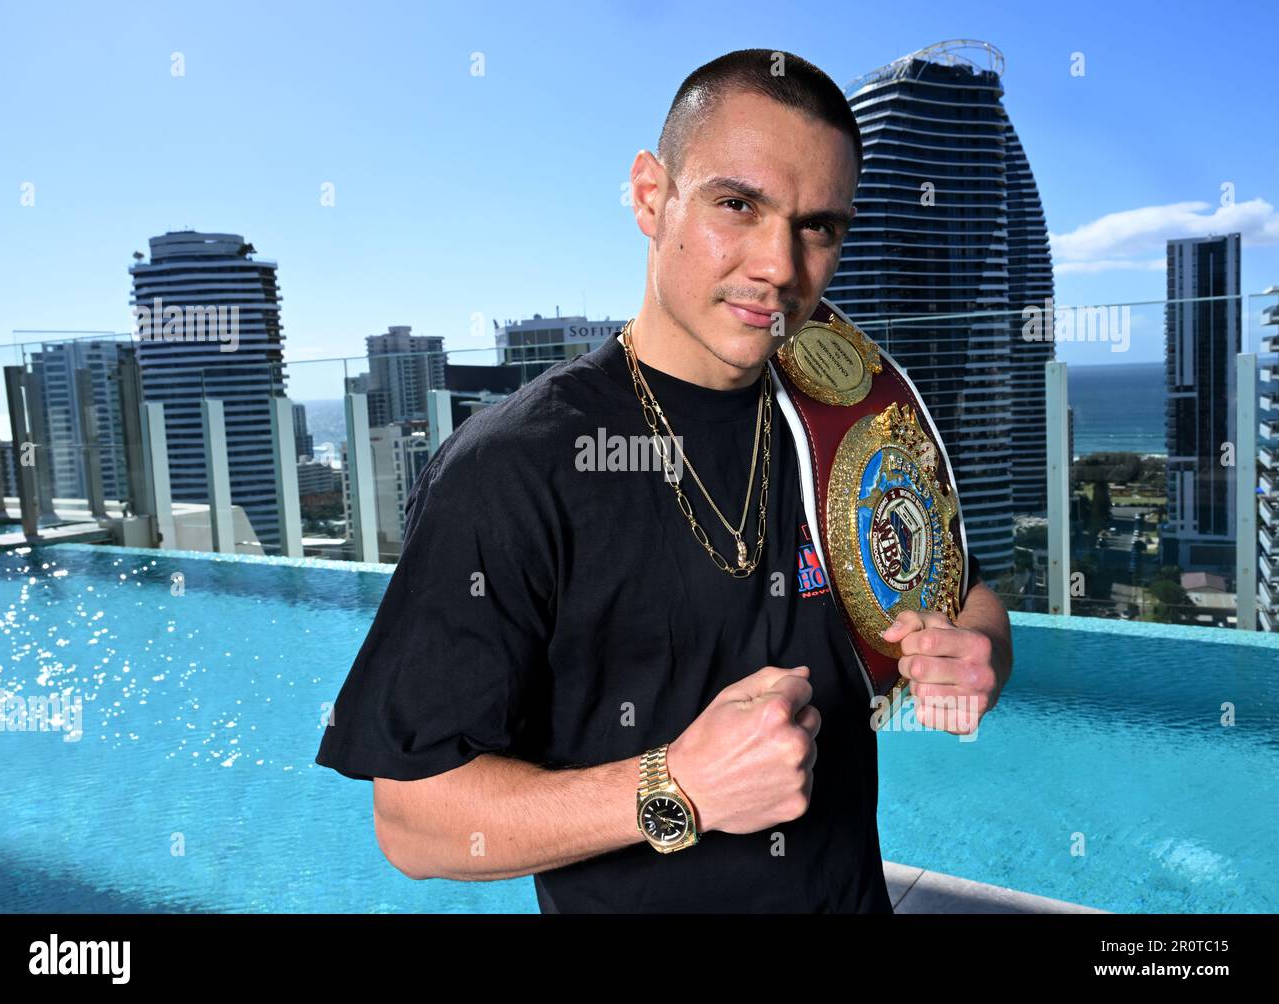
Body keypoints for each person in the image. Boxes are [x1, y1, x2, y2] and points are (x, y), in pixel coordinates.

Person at [315, 47, 1012, 913]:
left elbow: (962, 586)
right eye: (738, 205)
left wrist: (981, 649)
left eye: (818, 226)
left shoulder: (841, 406)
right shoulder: (511, 468)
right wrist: (676, 787)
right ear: (651, 195)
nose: (780, 268)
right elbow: (413, 817)